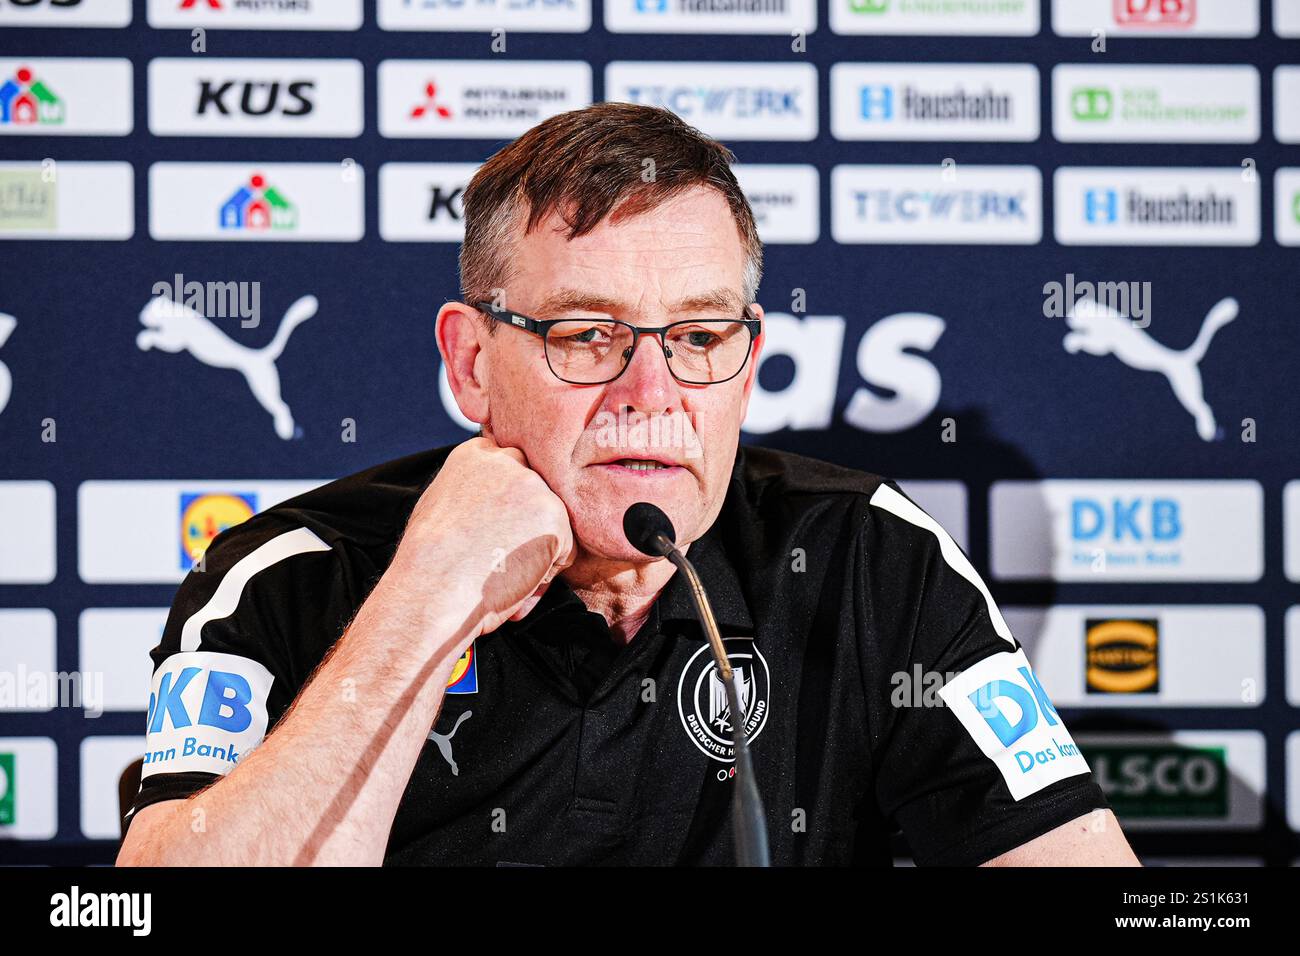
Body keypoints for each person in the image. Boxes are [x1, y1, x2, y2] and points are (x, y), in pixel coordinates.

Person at [117, 103, 1139, 866]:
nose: (649, 392)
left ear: (746, 361)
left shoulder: (868, 555)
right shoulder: (292, 573)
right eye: (586, 335)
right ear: (471, 361)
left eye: (697, 337)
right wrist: (422, 597)